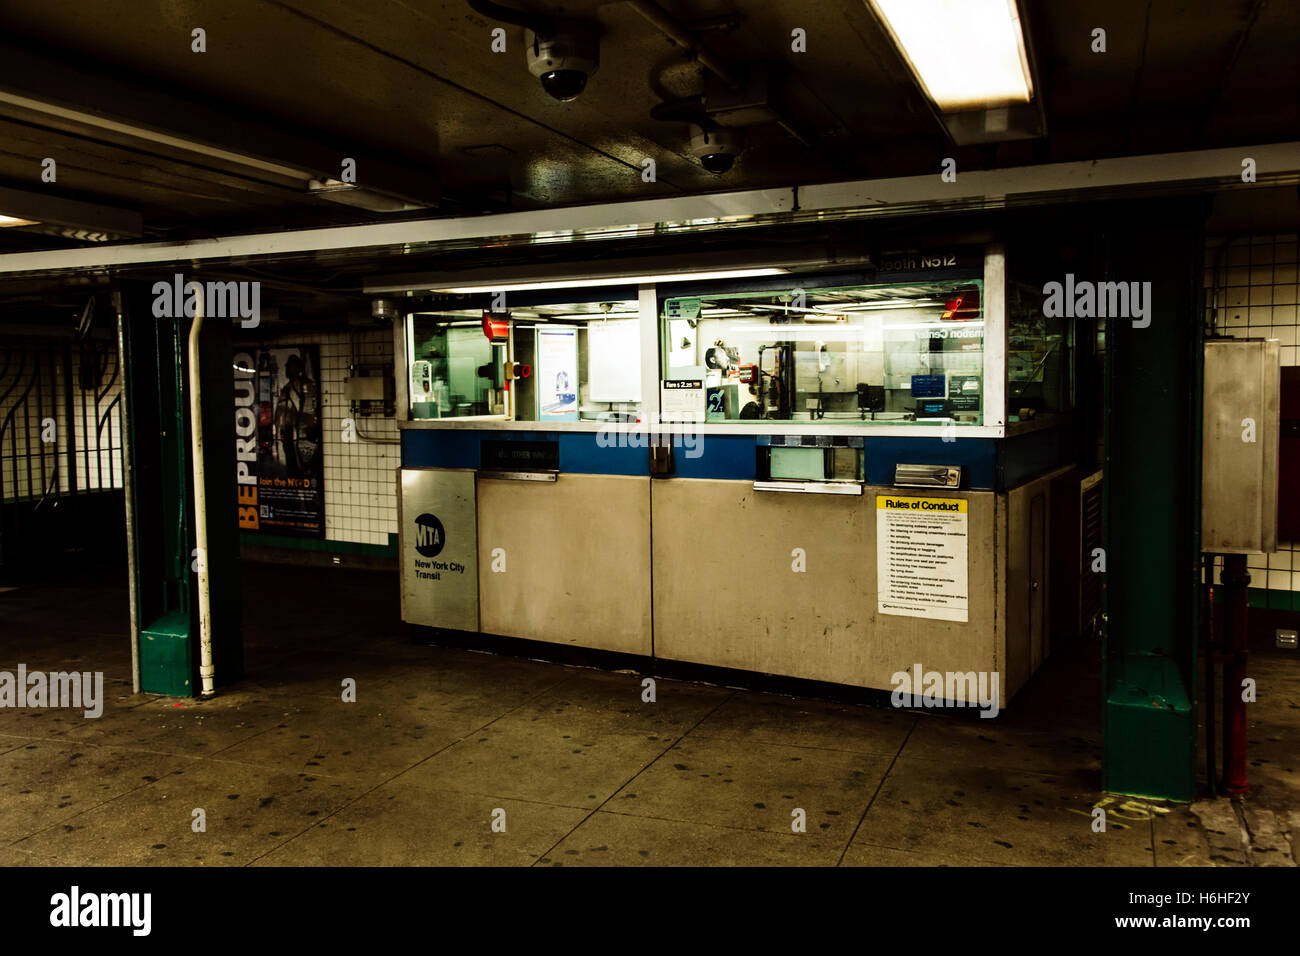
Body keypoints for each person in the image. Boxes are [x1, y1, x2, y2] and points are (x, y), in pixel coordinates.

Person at [275, 354, 320, 475]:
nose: (287, 369)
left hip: (297, 438)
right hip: (308, 437)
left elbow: (283, 414)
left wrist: (282, 429)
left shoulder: (290, 389)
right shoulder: (310, 385)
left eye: (289, 366)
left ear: (296, 368)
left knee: (296, 471)